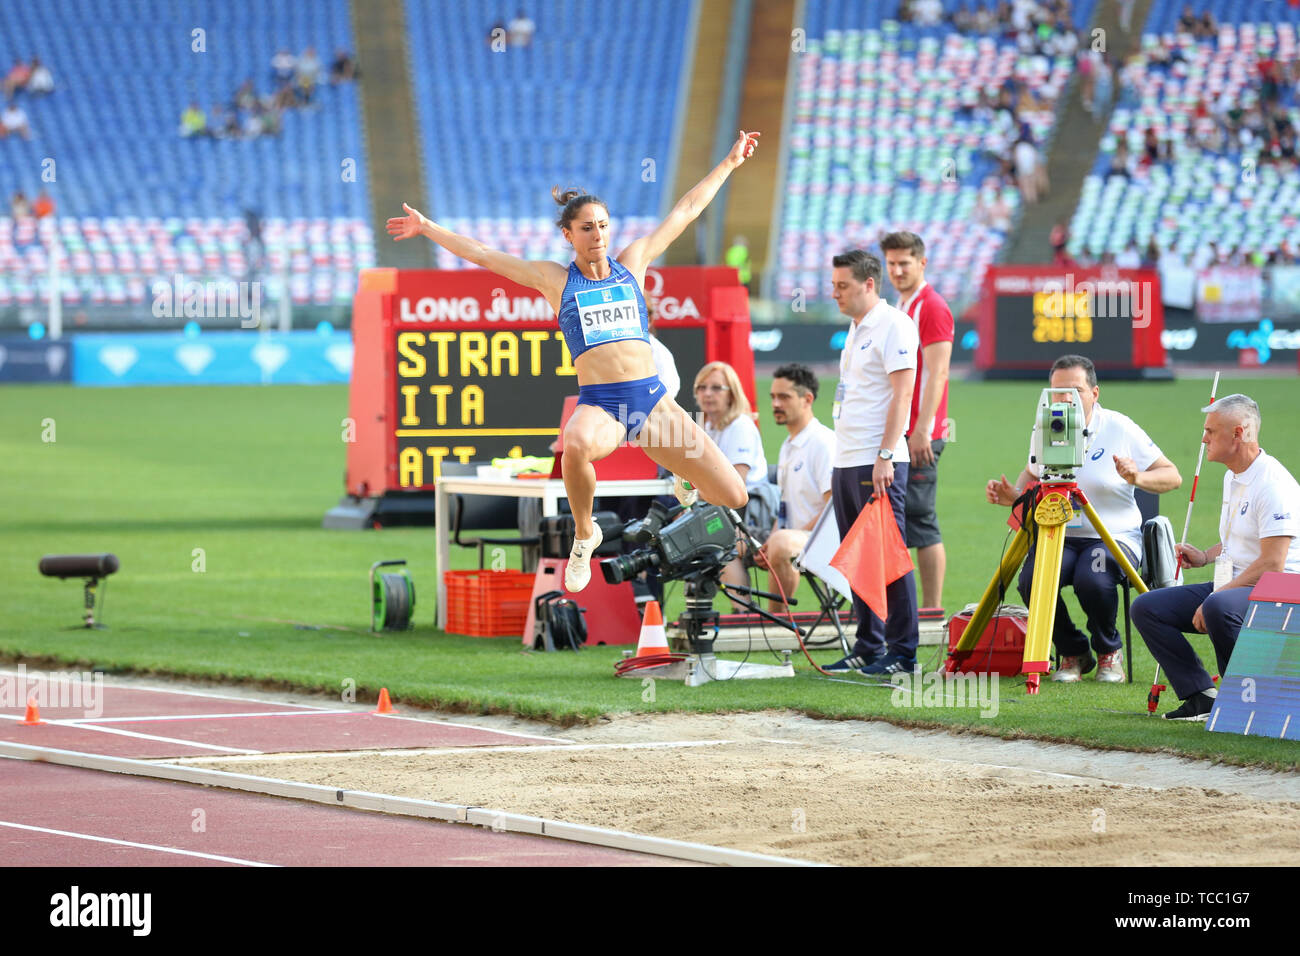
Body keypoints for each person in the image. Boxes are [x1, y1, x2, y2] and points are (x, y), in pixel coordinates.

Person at [388, 131, 761, 591]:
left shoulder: (634, 264)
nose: (597, 235)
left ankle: (683, 478)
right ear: (568, 235)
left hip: (653, 403)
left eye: (603, 225)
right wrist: (428, 228)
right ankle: (586, 534)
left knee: (734, 495)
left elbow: (685, 211)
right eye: (586, 228)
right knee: (576, 443)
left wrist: (729, 162)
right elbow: (484, 255)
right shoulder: (555, 280)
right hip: (604, 403)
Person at [985, 355, 1183, 682]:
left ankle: (1109, 651)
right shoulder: (1046, 426)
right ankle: (1072, 651)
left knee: (1092, 576)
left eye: (1075, 390)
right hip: (1060, 533)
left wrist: (1137, 478)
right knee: (1030, 579)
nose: (1065, 400)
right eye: (1057, 392)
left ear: (1094, 393)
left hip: (1114, 537)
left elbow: (1172, 476)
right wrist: (1014, 495)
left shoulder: (1119, 427)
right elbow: (1032, 473)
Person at [1132, 395, 1300, 720]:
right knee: (1147, 607)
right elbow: (1239, 541)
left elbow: (1273, 564)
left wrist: (1218, 594)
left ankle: (1253, 700)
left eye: (1211, 431)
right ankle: (1200, 695)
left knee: (1217, 606)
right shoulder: (1233, 475)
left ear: (1238, 434)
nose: (1203, 438)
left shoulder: (1272, 484)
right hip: (1242, 584)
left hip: (1284, 590)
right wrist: (1205, 556)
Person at [823, 249, 921, 675]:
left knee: (888, 557)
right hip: (846, 458)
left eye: (843, 286)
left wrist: (885, 454)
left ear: (868, 284)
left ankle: (903, 651)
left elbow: (903, 395)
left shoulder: (894, 325)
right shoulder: (856, 327)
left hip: (876, 460)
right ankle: (869, 643)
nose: (835, 294)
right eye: (833, 286)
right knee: (858, 557)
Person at [881, 231, 953, 611]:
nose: (897, 270)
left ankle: (931, 610)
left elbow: (938, 372)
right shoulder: (903, 304)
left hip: (919, 433)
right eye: (891, 263)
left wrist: (922, 429)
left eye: (904, 263)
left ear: (922, 263)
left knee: (921, 520)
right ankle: (909, 609)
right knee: (902, 520)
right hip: (904, 433)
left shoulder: (932, 307)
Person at [753, 364, 835, 611]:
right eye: (773, 397)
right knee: (731, 541)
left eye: (784, 397)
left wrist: (784, 538)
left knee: (781, 544)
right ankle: (743, 613)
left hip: (831, 538)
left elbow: (835, 507)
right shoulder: (788, 445)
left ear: (807, 399)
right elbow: (784, 506)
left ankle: (777, 622)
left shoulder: (823, 442)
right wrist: (769, 541)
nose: (776, 404)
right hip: (797, 537)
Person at [693, 360, 771, 597]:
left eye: (716, 388)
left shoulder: (740, 426)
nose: (707, 394)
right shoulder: (704, 426)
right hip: (717, 508)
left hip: (750, 515)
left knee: (718, 546)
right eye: (702, 387)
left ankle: (743, 613)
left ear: (732, 394)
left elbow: (737, 486)